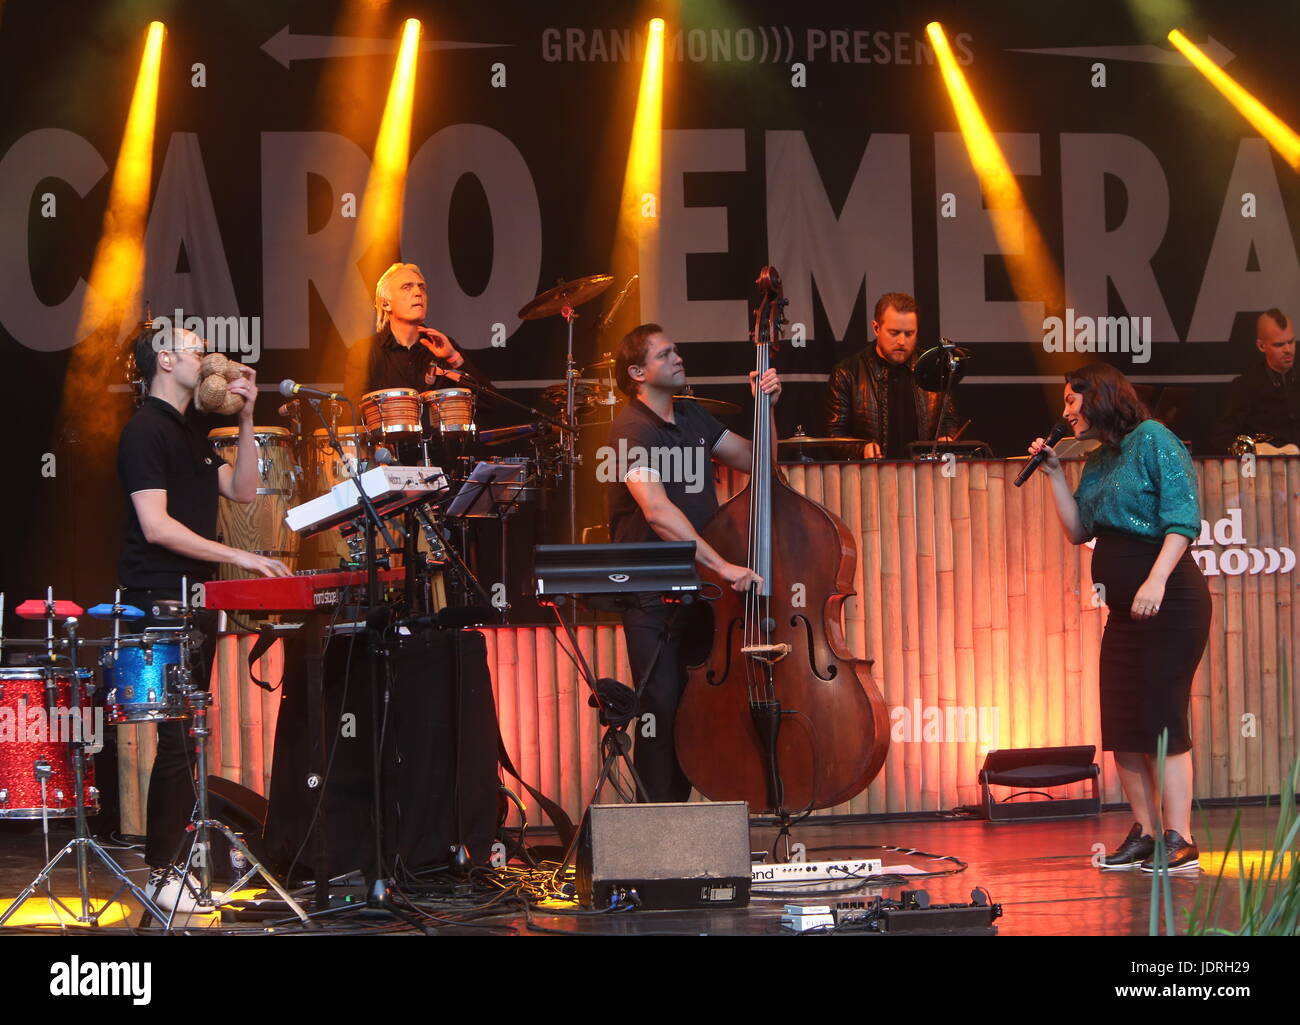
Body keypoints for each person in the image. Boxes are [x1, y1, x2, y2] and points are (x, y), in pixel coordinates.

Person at [118, 325, 292, 910]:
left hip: (195, 604)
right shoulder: (144, 429)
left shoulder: (190, 433)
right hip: (161, 603)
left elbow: (244, 491)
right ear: (166, 359)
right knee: (174, 742)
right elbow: (156, 526)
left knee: (190, 739)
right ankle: (161, 875)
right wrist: (241, 555)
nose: (208, 360)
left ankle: (173, 871)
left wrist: (245, 419)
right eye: (195, 349)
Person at [1028, 362, 1210, 873]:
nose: (1065, 411)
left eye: (1071, 400)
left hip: (1170, 601)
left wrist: (1155, 580)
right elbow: (1077, 529)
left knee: (1163, 717)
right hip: (1124, 612)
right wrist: (1053, 476)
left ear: (1100, 397)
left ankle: (1181, 838)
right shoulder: (1100, 458)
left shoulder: (1154, 439)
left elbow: (1183, 517)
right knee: (1124, 721)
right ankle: (1146, 833)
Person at [605, 323, 780, 802]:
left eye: (676, 350)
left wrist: (767, 409)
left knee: (696, 708)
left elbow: (757, 460)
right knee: (661, 710)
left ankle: (685, 830)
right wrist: (724, 568)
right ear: (638, 373)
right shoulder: (629, 429)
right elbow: (657, 512)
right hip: (650, 592)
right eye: (666, 355)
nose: (678, 358)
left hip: (698, 590)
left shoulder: (694, 417)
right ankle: (656, 833)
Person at [824, 291, 956, 458]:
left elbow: (947, 420)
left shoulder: (932, 370)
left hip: (923, 476)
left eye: (909, 333)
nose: (902, 341)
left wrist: (946, 438)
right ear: (876, 328)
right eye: (894, 333)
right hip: (870, 477)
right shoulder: (847, 373)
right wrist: (862, 450)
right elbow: (834, 435)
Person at [1210, 308, 1299, 453]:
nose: (1288, 349)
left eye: (1291, 341)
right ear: (1261, 345)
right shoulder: (1245, 386)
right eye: (1279, 344)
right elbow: (1221, 438)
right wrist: (1257, 450)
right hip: (1261, 470)